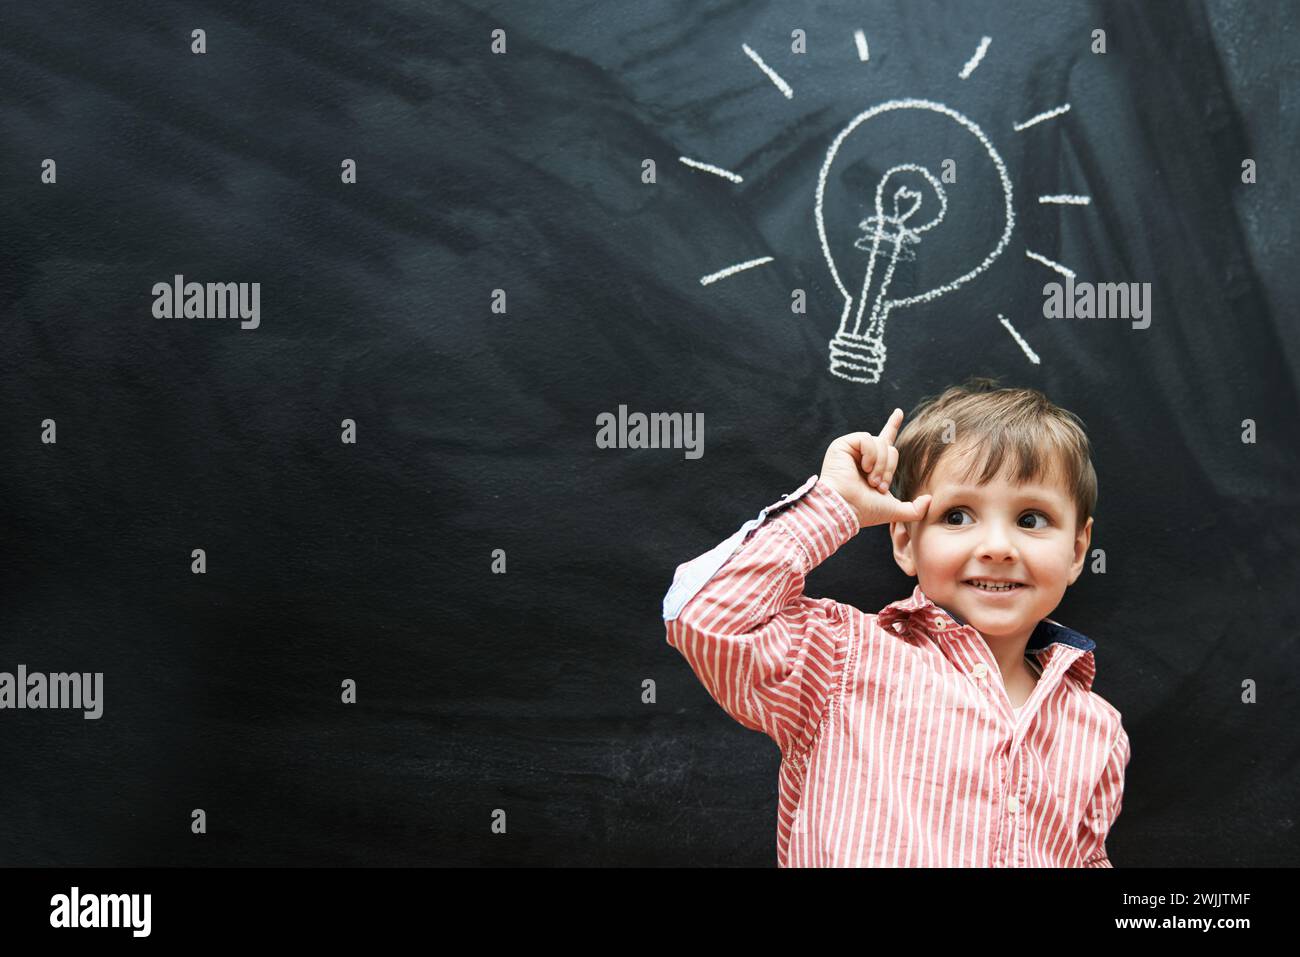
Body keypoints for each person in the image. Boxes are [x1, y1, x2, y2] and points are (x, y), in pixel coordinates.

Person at [661, 377, 1130, 867]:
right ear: (905, 541)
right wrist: (834, 504)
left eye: (1031, 519)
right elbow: (703, 614)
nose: (997, 547)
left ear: (1077, 551)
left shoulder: (1098, 730)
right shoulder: (840, 660)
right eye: (957, 516)